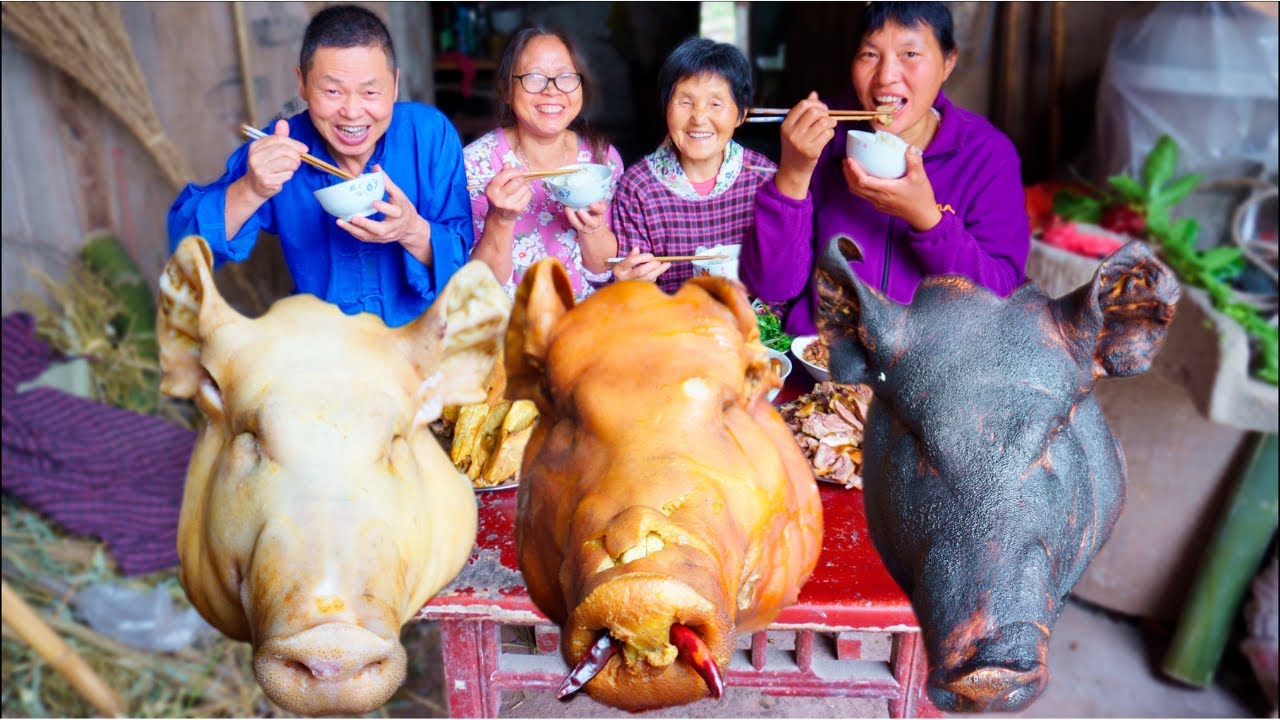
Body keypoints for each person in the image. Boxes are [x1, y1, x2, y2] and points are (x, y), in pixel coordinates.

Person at [167, 5, 472, 328]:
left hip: (421, 341)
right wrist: (251, 189)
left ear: (394, 85)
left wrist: (412, 231)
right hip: (321, 351)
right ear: (302, 84)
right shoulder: (280, 145)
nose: (352, 112)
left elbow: (466, 266)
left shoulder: (428, 135)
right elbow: (184, 250)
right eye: (332, 91)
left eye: (370, 91)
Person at [740, 1, 1030, 335]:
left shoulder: (987, 155)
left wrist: (928, 222)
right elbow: (772, 287)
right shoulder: (824, 136)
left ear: (948, 62)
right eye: (870, 55)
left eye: (910, 54)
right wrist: (793, 173)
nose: (886, 77)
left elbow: (1003, 299)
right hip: (822, 361)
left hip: (927, 375)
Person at [464, 27, 624, 301]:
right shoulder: (476, 166)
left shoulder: (602, 160)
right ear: (506, 89)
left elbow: (603, 272)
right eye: (535, 78)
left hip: (580, 322)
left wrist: (592, 228)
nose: (552, 90)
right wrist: (500, 220)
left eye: (565, 77)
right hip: (509, 326)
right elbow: (481, 286)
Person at [610, 37, 777, 294]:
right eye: (685, 102)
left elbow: (781, 274)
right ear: (666, 107)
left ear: (741, 114)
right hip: (671, 327)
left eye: (715, 104)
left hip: (754, 326)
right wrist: (630, 285)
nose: (699, 118)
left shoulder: (764, 178)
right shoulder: (637, 187)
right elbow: (637, 295)